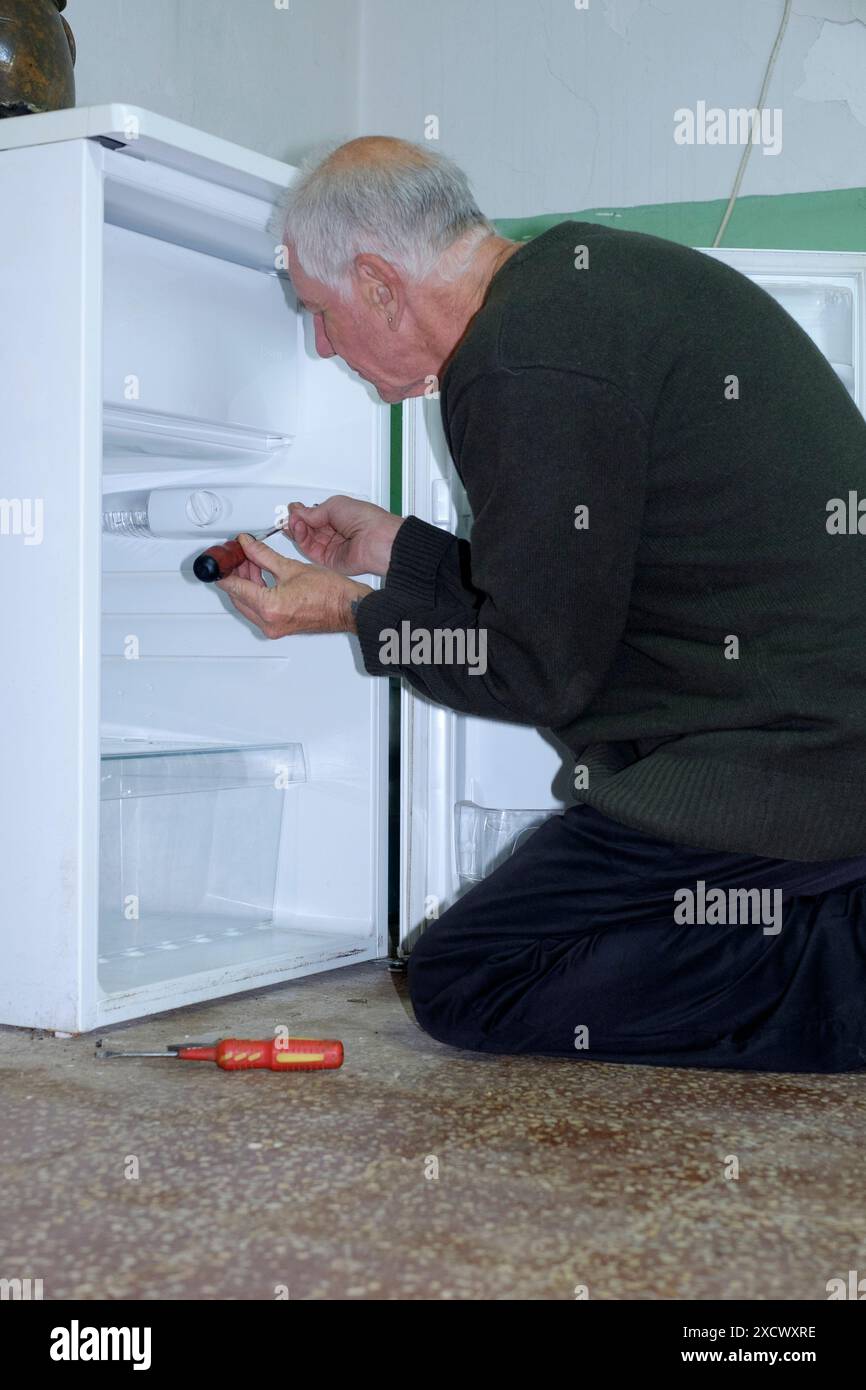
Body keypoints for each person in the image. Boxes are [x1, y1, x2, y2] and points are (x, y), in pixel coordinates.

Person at [218, 136, 866, 1072]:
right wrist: (401, 555)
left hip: (785, 765)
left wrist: (351, 614)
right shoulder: (579, 283)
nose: (323, 343)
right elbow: (575, 591)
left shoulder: (518, 362)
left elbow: (534, 673)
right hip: (811, 738)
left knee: (474, 977)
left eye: (320, 313)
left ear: (379, 282)